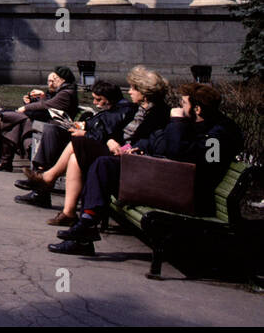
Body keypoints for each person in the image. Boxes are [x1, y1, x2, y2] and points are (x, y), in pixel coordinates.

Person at [49, 82, 243, 256]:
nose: (180, 108)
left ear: (198, 109)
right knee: (104, 164)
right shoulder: (196, 123)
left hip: (185, 191)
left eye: (184, 104)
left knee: (104, 166)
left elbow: (192, 160)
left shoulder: (218, 135)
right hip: (167, 176)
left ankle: (85, 227)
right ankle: (85, 225)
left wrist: (177, 121)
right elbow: (157, 138)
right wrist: (139, 149)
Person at [17, 67, 171, 221]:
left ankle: (47, 179)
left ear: (143, 92)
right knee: (74, 158)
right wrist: (112, 141)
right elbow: (123, 135)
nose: (129, 92)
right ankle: (68, 212)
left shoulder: (155, 113)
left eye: (132, 88)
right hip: (119, 150)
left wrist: (116, 144)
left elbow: (143, 142)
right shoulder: (140, 110)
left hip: (130, 159)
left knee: (79, 142)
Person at [0, 66, 78, 171]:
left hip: (52, 125)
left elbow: (46, 105)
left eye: (54, 80)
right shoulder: (62, 91)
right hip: (44, 120)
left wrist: (25, 107)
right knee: (12, 121)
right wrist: (33, 100)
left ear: (62, 80)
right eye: (50, 80)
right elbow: (46, 105)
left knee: (7, 116)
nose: (51, 83)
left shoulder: (66, 93)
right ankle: (1, 157)